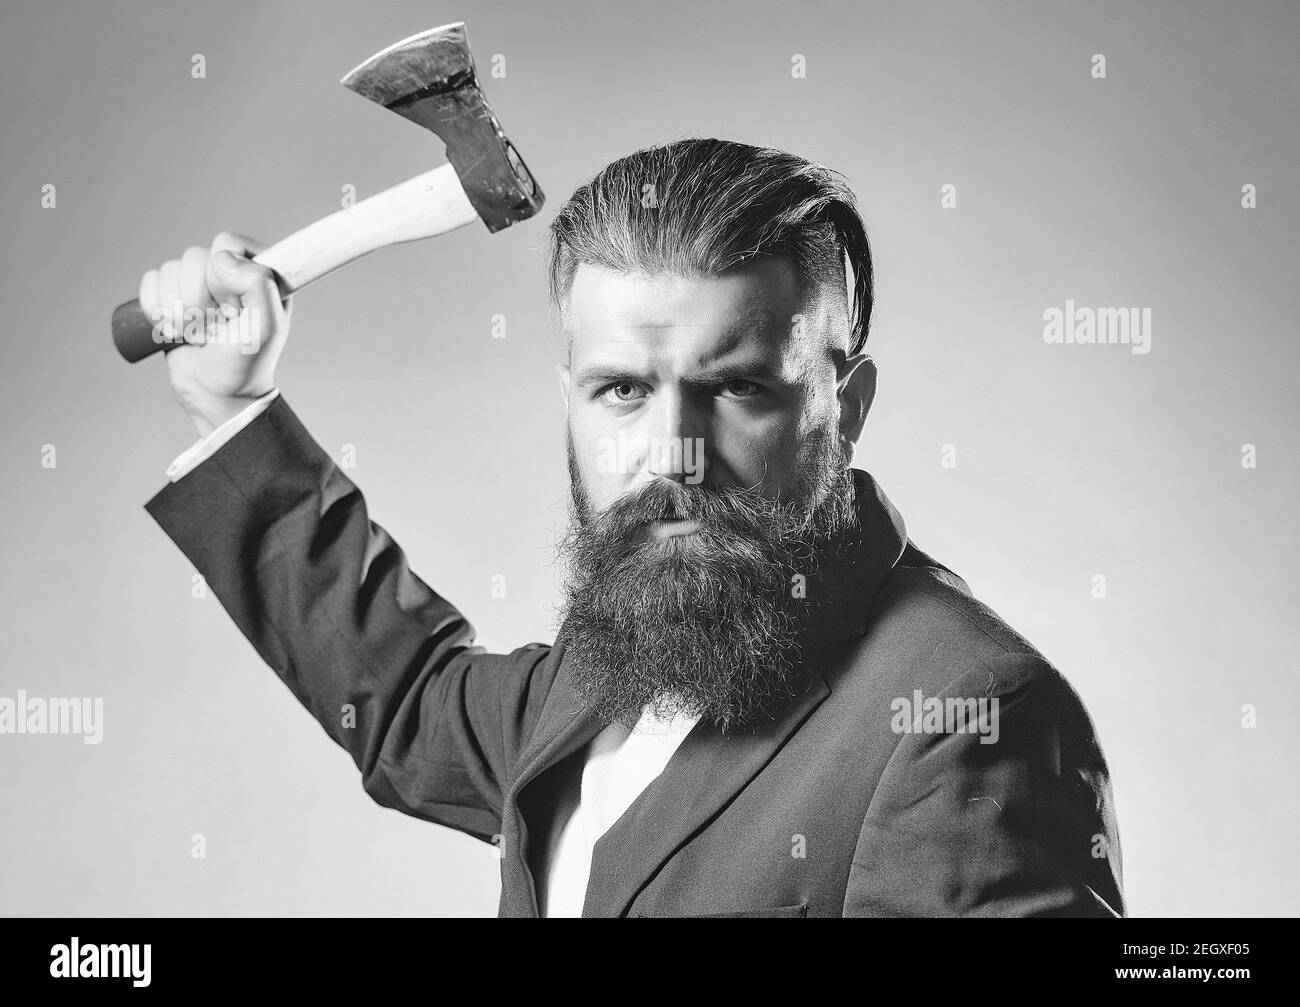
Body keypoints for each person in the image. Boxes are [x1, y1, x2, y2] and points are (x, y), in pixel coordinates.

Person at [140, 137, 1125, 917]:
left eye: (735, 387)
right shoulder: (627, 645)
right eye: (621, 390)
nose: (671, 455)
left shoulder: (964, 719)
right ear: (568, 400)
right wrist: (236, 407)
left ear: (845, 405)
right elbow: (409, 708)